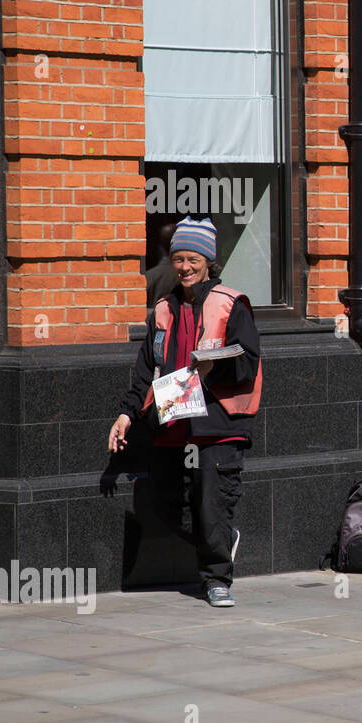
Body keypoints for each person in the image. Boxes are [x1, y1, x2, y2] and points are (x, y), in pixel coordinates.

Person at [107, 216, 262, 608]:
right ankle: (220, 539)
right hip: (171, 423)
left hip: (216, 425)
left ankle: (216, 579)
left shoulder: (231, 303)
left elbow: (248, 363)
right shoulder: (163, 308)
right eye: (179, 258)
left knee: (211, 503)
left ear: (209, 261)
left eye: (193, 258)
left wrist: (217, 365)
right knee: (164, 503)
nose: (185, 267)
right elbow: (147, 368)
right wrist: (126, 414)